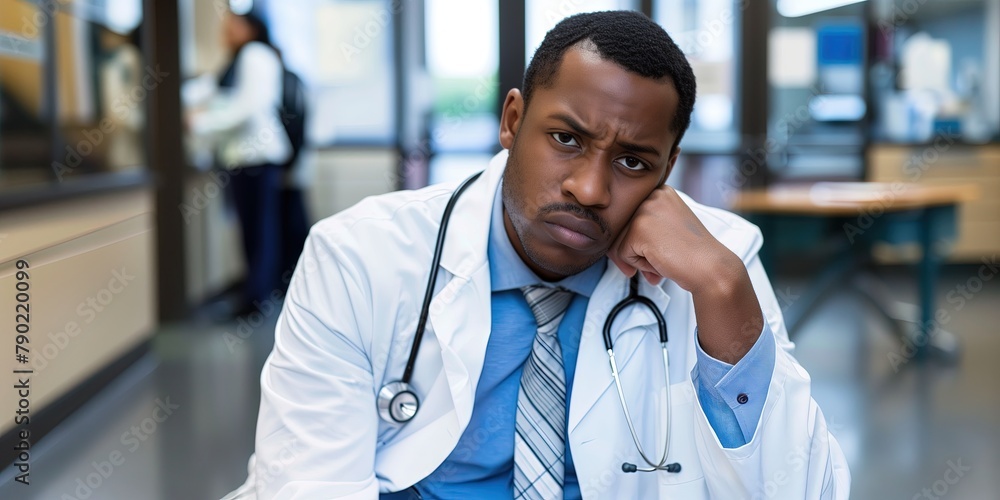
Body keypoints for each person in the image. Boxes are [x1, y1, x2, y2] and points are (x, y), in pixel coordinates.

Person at [225, 11, 850, 499]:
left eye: (634, 162)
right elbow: (312, 485)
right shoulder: (361, 256)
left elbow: (797, 490)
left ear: (668, 170)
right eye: (565, 139)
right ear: (512, 119)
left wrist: (723, 293)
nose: (591, 188)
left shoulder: (718, 262)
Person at [186, 11, 299, 315]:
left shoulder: (256, 55)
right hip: (241, 158)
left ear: (251, 28)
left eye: (234, 25)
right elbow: (204, 90)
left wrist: (200, 124)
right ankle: (255, 292)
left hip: (258, 156)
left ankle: (257, 297)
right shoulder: (234, 61)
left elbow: (248, 108)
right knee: (251, 228)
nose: (226, 30)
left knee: (260, 229)